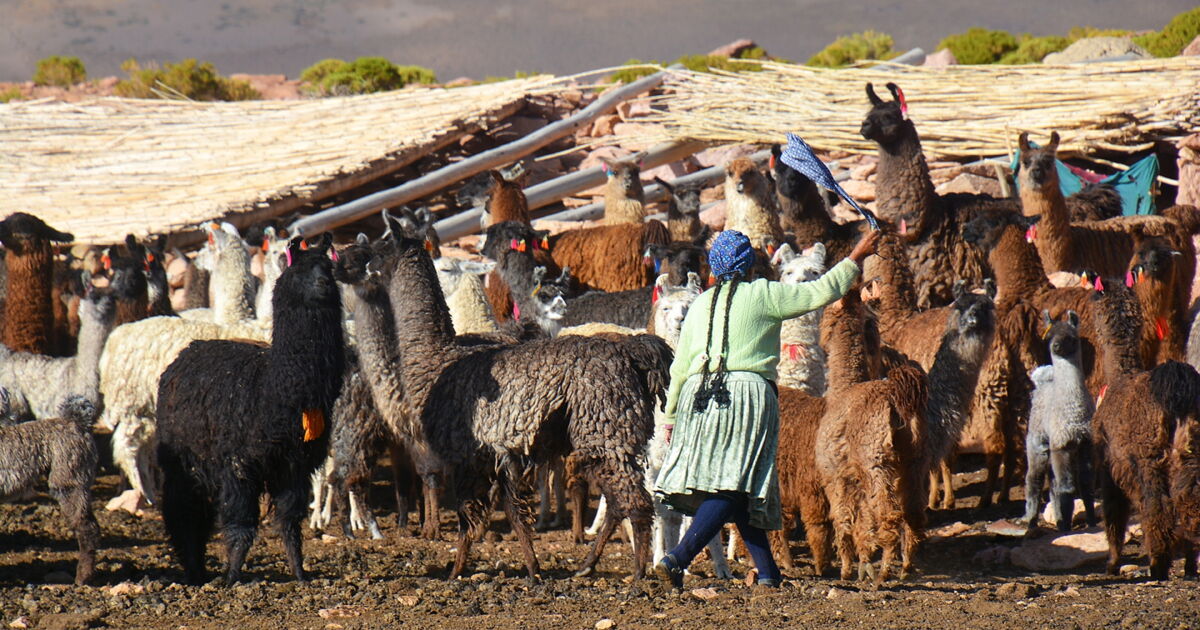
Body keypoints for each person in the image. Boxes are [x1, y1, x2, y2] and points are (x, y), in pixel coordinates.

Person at [653, 228, 879, 589]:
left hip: (700, 396)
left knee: (739, 487)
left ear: (715, 267)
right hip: (746, 396)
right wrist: (857, 256)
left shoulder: (700, 304)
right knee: (732, 487)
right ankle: (678, 557)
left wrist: (671, 417)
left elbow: (680, 367)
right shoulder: (763, 294)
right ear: (748, 266)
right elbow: (820, 292)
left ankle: (769, 574)